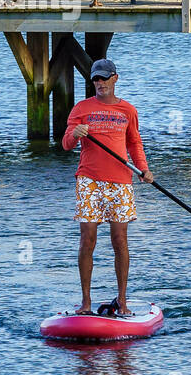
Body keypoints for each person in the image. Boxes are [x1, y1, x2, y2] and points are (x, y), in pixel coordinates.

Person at [61, 58, 153, 317]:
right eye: (95, 80)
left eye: (104, 78)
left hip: (121, 181)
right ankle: (86, 303)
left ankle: (122, 302)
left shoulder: (128, 110)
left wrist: (143, 168)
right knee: (87, 240)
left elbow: (134, 143)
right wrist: (74, 134)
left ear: (115, 78)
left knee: (119, 240)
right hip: (89, 180)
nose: (100, 83)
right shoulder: (81, 108)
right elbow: (66, 144)